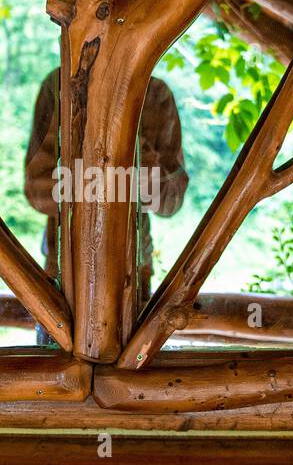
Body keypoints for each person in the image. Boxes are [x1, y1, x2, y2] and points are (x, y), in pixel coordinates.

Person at [24, 70, 187, 300]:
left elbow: (171, 203)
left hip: (134, 274)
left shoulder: (155, 94)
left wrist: (147, 173)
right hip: (64, 275)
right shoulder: (59, 86)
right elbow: (37, 192)